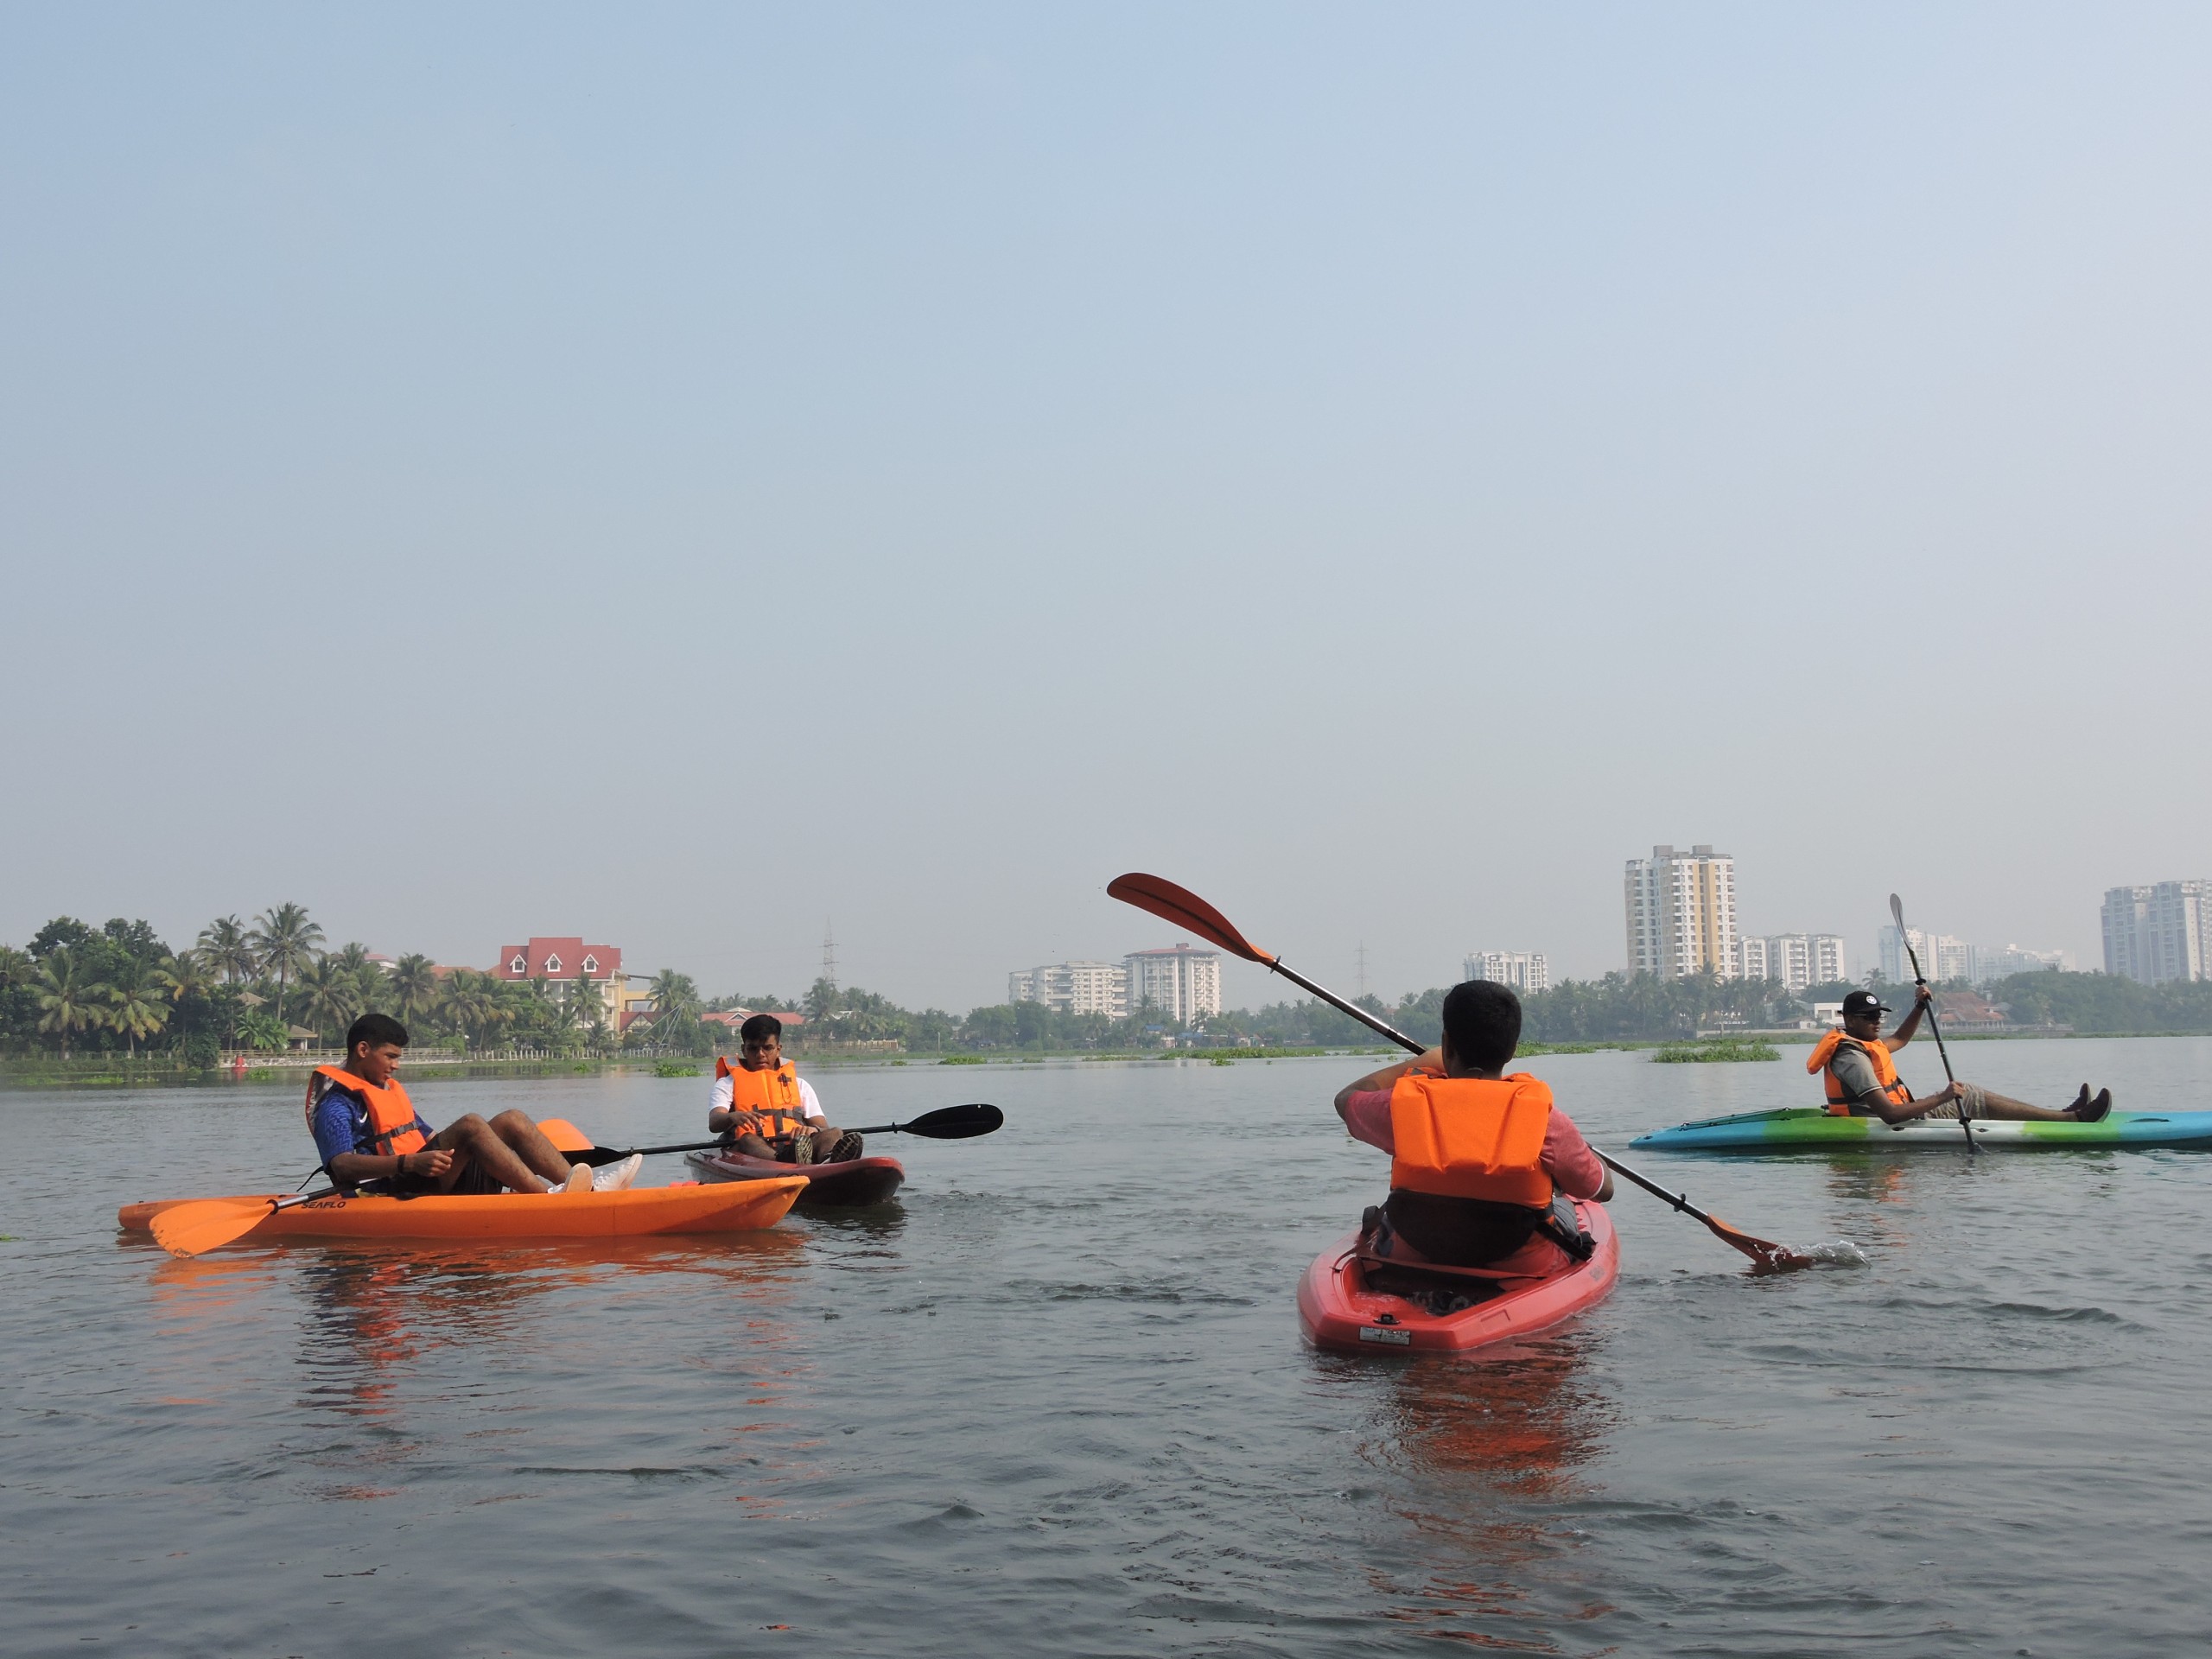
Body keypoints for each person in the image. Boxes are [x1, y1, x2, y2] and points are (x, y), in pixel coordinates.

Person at [1332, 979, 1611, 1278]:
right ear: (1512, 1048)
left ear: (1447, 1043)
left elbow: (1345, 1100)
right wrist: (1590, 1157)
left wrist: (1422, 1062)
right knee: (1568, 1206)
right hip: (1520, 1264)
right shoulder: (1546, 1122)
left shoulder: (1402, 1109)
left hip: (1418, 1253)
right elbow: (1600, 1190)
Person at [308, 1013, 644, 1194]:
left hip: (426, 1176)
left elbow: (424, 1134)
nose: (396, 1065)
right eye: (390, 1057)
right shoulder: (336, 1106)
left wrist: (474, 1152)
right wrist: (409, 1164)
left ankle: (584, 1194)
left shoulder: (387, 1090)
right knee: (470, 1123)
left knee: (511, 1119)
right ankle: (548, 1200)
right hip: (395, 1189)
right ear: (363, 1050)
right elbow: (341, 1166)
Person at [1808, 988, 2110, 1123]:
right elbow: (1890, 1116)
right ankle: (2074, 1119)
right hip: (1886, 1123)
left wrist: (1919, 1006)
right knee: (1969, 1097)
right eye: (1869, 1016)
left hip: (1898, 1115)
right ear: (1849, 1020)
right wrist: (1942, 1097)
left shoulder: (1864, 1045)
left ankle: (2061, 1115)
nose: (1877, 1020)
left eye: (1879, 1015)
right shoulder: (1852, 1057)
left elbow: (1900, 1038)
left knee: (1971, 1094)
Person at [707, 1014, 861, 1164]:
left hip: (796, 1146)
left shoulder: (800, 1085)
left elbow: (822, 1126)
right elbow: (714, 1122)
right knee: (747, 1139)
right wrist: (731, 1116)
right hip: (753, 1151)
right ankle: (783, 1162)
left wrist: (811, 1130)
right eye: (753, 1048)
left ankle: (829, 1161)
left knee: (835, 1132)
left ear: (778, 1049)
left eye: (767, 1048)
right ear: (744, 1050)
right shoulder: (727, 1084)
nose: (760, 1054)